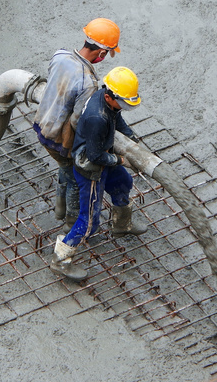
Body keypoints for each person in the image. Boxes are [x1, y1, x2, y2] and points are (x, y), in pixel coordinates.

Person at [49, 67, 148, 281]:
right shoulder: (97, 117)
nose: (124, 107)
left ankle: (122, 225)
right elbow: (94, 156)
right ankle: (60, 259)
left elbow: (118, 118)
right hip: (91, 168)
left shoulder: (108, 100)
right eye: (122, 103)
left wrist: (131, 139)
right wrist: (121, 159)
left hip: (104, 155)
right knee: (89, 223)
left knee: (123, 181)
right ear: (109, 96)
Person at [32, 19, 122, 234]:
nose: (104, 58)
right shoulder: (88, 82)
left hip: (41, 125)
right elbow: (76, 120)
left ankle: (59, 209)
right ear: (100, 52)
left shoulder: (60, 55)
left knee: (63, 169)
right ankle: (71, 223)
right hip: (58, 139)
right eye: (106, 53)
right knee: (74, 177)